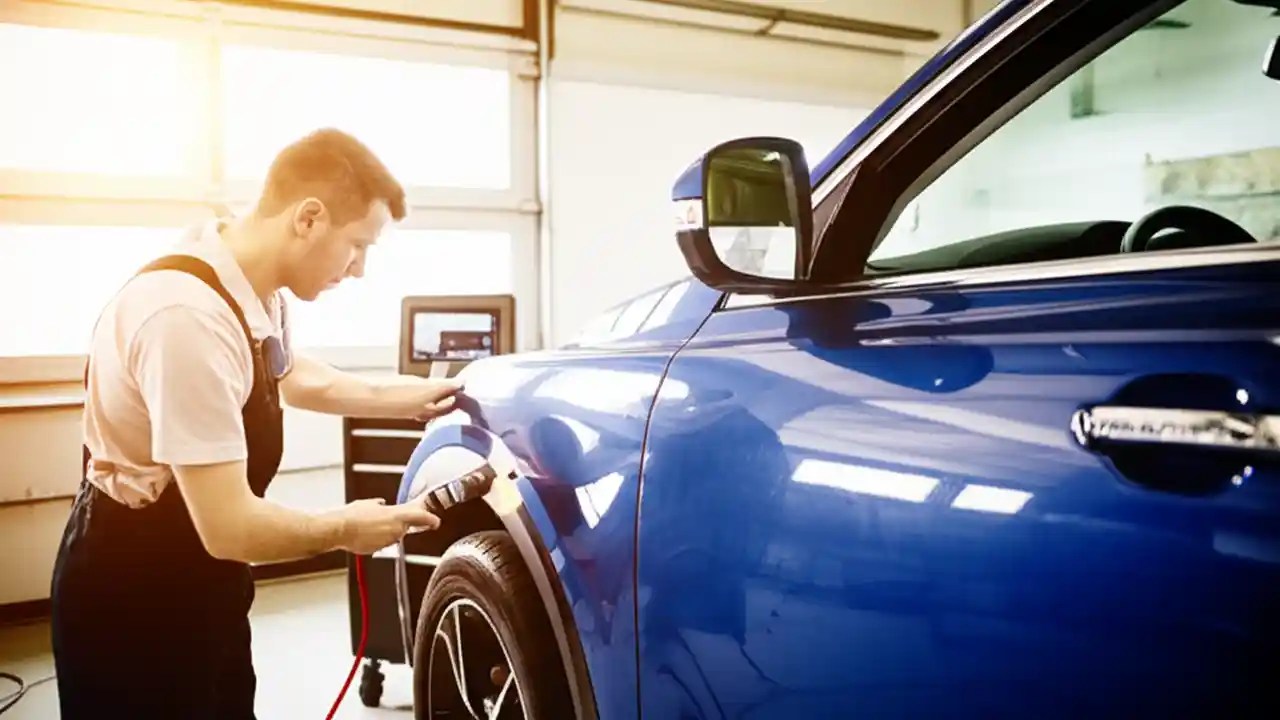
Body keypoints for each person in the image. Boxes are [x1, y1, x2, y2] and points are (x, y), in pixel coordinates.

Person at [49, 128, 454, 719]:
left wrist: (415, 396)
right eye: (358, 245)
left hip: (203, 579)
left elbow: (289, 375)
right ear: (309, 218)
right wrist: (342, 527)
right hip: (133, 591)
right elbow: (229, 527)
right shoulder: (183, 318)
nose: (359, 269)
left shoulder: (258, 293)